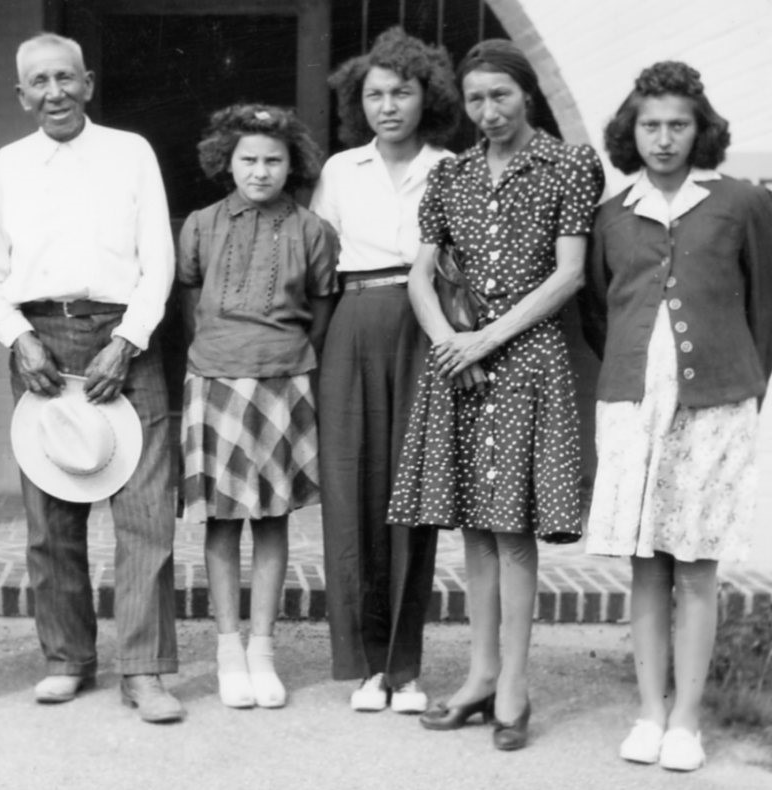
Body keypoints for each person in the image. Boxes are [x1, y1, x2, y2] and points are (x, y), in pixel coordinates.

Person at [386, 39, 604, 750]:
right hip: (461, 362)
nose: (487, 111)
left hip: (526, 359)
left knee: (510, 530)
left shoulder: (568, 164)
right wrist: (452, 344)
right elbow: (420, 276)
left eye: (499, 96)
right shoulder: (451, 175)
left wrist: (485, 341)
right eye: (475, 99)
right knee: (473, 528)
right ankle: (478, 676)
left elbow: (568, 275)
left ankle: (513, 683)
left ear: (527, 94)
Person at [580, 61, 772, 772]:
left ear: (700, 130)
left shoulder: (742, 204)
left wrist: (741, 391)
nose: (662, 138)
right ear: (629, 132)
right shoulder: (610, 214)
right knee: (645, 564)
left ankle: (687, 723)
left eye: (676, 124)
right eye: (649, 124)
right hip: (634, 404)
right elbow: (597, 315)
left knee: (696, 566)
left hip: (714, 406)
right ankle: (647, 713)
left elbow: (764, 314)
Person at [0, 32, 182, 723]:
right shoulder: (4, 166)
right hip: (39, 339)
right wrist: (18, 339)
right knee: (50, 517)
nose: (54, 93)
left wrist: (127, 340)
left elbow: (157, 260)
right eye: (38, 82)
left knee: (146, 513)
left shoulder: (130, 152)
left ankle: (145, 670)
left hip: (127, 337)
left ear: (88, 82)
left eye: (65, 78)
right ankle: (66, 657)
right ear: (21, 94)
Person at [311, 27, 459, 715]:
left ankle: (405, 664)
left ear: (424, 94)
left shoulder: (450, 165)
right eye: (373, 94)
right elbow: (318, 261)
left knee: (412, 491)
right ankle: (367, 666)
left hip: (426, 327)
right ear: (356, 102)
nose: (387, 105)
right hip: (355, 320)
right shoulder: (341, 170)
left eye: (401, 91)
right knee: (353, 492)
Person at [179, 105, 336, 709]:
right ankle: (227, 650)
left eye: (274, 160)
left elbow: (320, 308)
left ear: (292, 163)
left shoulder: (311, 230)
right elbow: (193, 295)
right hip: (214, 378)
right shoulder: (201, 224)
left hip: (283, 380)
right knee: (221, 521)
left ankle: (262, 651)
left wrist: (285, 355)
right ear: (228, 161)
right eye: (249, 159)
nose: (261, 171)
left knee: (272, 520)